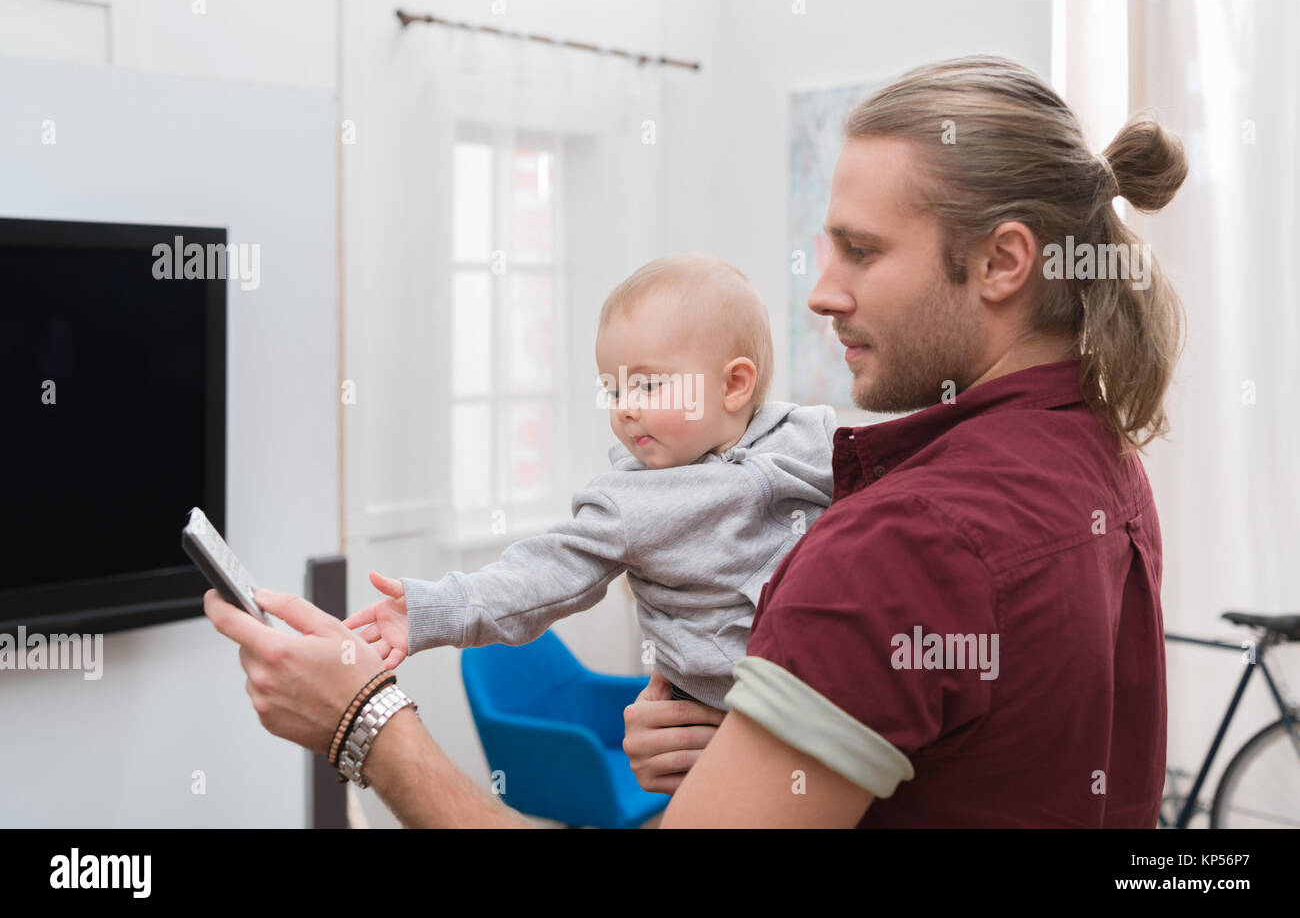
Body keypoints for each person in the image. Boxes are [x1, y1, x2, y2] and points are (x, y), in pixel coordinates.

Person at [207, 54, 1187, 826]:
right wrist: (756, 748)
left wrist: (362, 724)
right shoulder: (1100, 459)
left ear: (1004, 261)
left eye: (861, 248)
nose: (819, 291)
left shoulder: (904, 542)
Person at [345, 253, 837, 712]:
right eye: (612, 389)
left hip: (829, 689)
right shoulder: (627, 502)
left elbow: (893, 492)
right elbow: (540, 573)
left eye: (647, 384)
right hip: (726, 711)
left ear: (733, 385)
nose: (624, 406)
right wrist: (433, 611)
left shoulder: (808, 437)